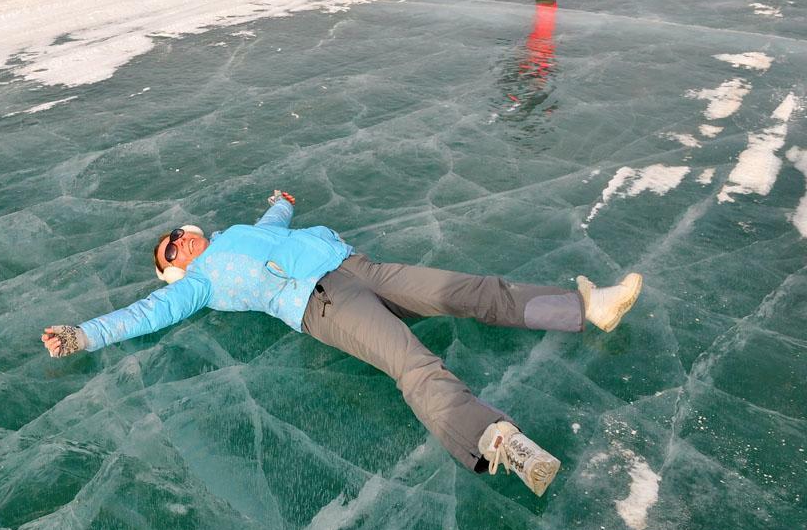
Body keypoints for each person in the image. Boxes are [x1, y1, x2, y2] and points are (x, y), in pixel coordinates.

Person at [42, 190, 642, 497]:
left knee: (468, 290)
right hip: (322, 300)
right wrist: (81, 334)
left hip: (359, 267)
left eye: (176, 235)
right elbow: (143, 314)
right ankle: (494, 440)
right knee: (412, 362)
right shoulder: (198, 284)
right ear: (175, 270)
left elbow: (273, 224)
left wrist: (282, 202)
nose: (178, 242)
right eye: (170, 252)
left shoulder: (235, 234)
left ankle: (586, 307)